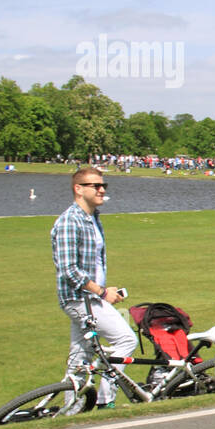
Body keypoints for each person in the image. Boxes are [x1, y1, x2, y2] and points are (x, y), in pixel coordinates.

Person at [50, 167, 137, 413]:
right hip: (81, 299)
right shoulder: (70, 221)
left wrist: (105, 289)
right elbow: (68, 270)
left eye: (103, 186)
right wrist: (101, 293)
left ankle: (71, 411)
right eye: (95, 186)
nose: (102, 190)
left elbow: (92, 265)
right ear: (78, 189)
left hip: (90, 296)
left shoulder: (92, 218)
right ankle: (104, 400)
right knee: (126, 339)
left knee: (80, 358)